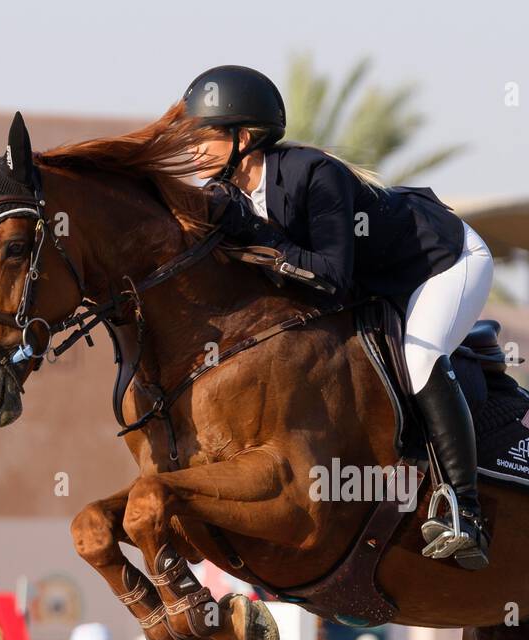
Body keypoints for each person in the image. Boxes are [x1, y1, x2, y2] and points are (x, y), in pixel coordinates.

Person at [179, 64, 496, 569]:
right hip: (377, 282)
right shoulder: (227, 194)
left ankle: (466, 512)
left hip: (442, 262)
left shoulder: (313, 174)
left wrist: (258, 235)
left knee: (419, 359)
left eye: (204, 136)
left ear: (245, 137)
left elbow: (331, 276)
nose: (192, 148)